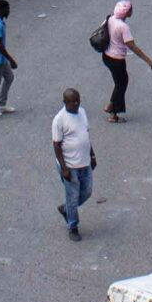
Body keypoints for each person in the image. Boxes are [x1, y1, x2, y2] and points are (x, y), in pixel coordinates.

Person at [51, 87, 95, 241]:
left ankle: (67, 209)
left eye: (78, 100)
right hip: (70, 165)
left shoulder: (82, 112)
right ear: (65, 102)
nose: (76, 104)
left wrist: (92, 155)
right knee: (72, 196)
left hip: (85, 161)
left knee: (87, 191)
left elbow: (86, 135)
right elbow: (57, 145)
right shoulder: (59, 120)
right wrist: (64, 168)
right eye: (72, 102)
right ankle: (73, 226)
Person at [100, 0, 152, 120]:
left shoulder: (110, 19)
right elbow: (132, 46)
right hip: (116, 59)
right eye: (131, 9)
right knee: (121, 84)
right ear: (127, 12)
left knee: (119, 82)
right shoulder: (123, 27)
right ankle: (113, 112)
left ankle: (112, 107)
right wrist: (148, 60)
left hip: (106, 56)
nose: (132, 10)